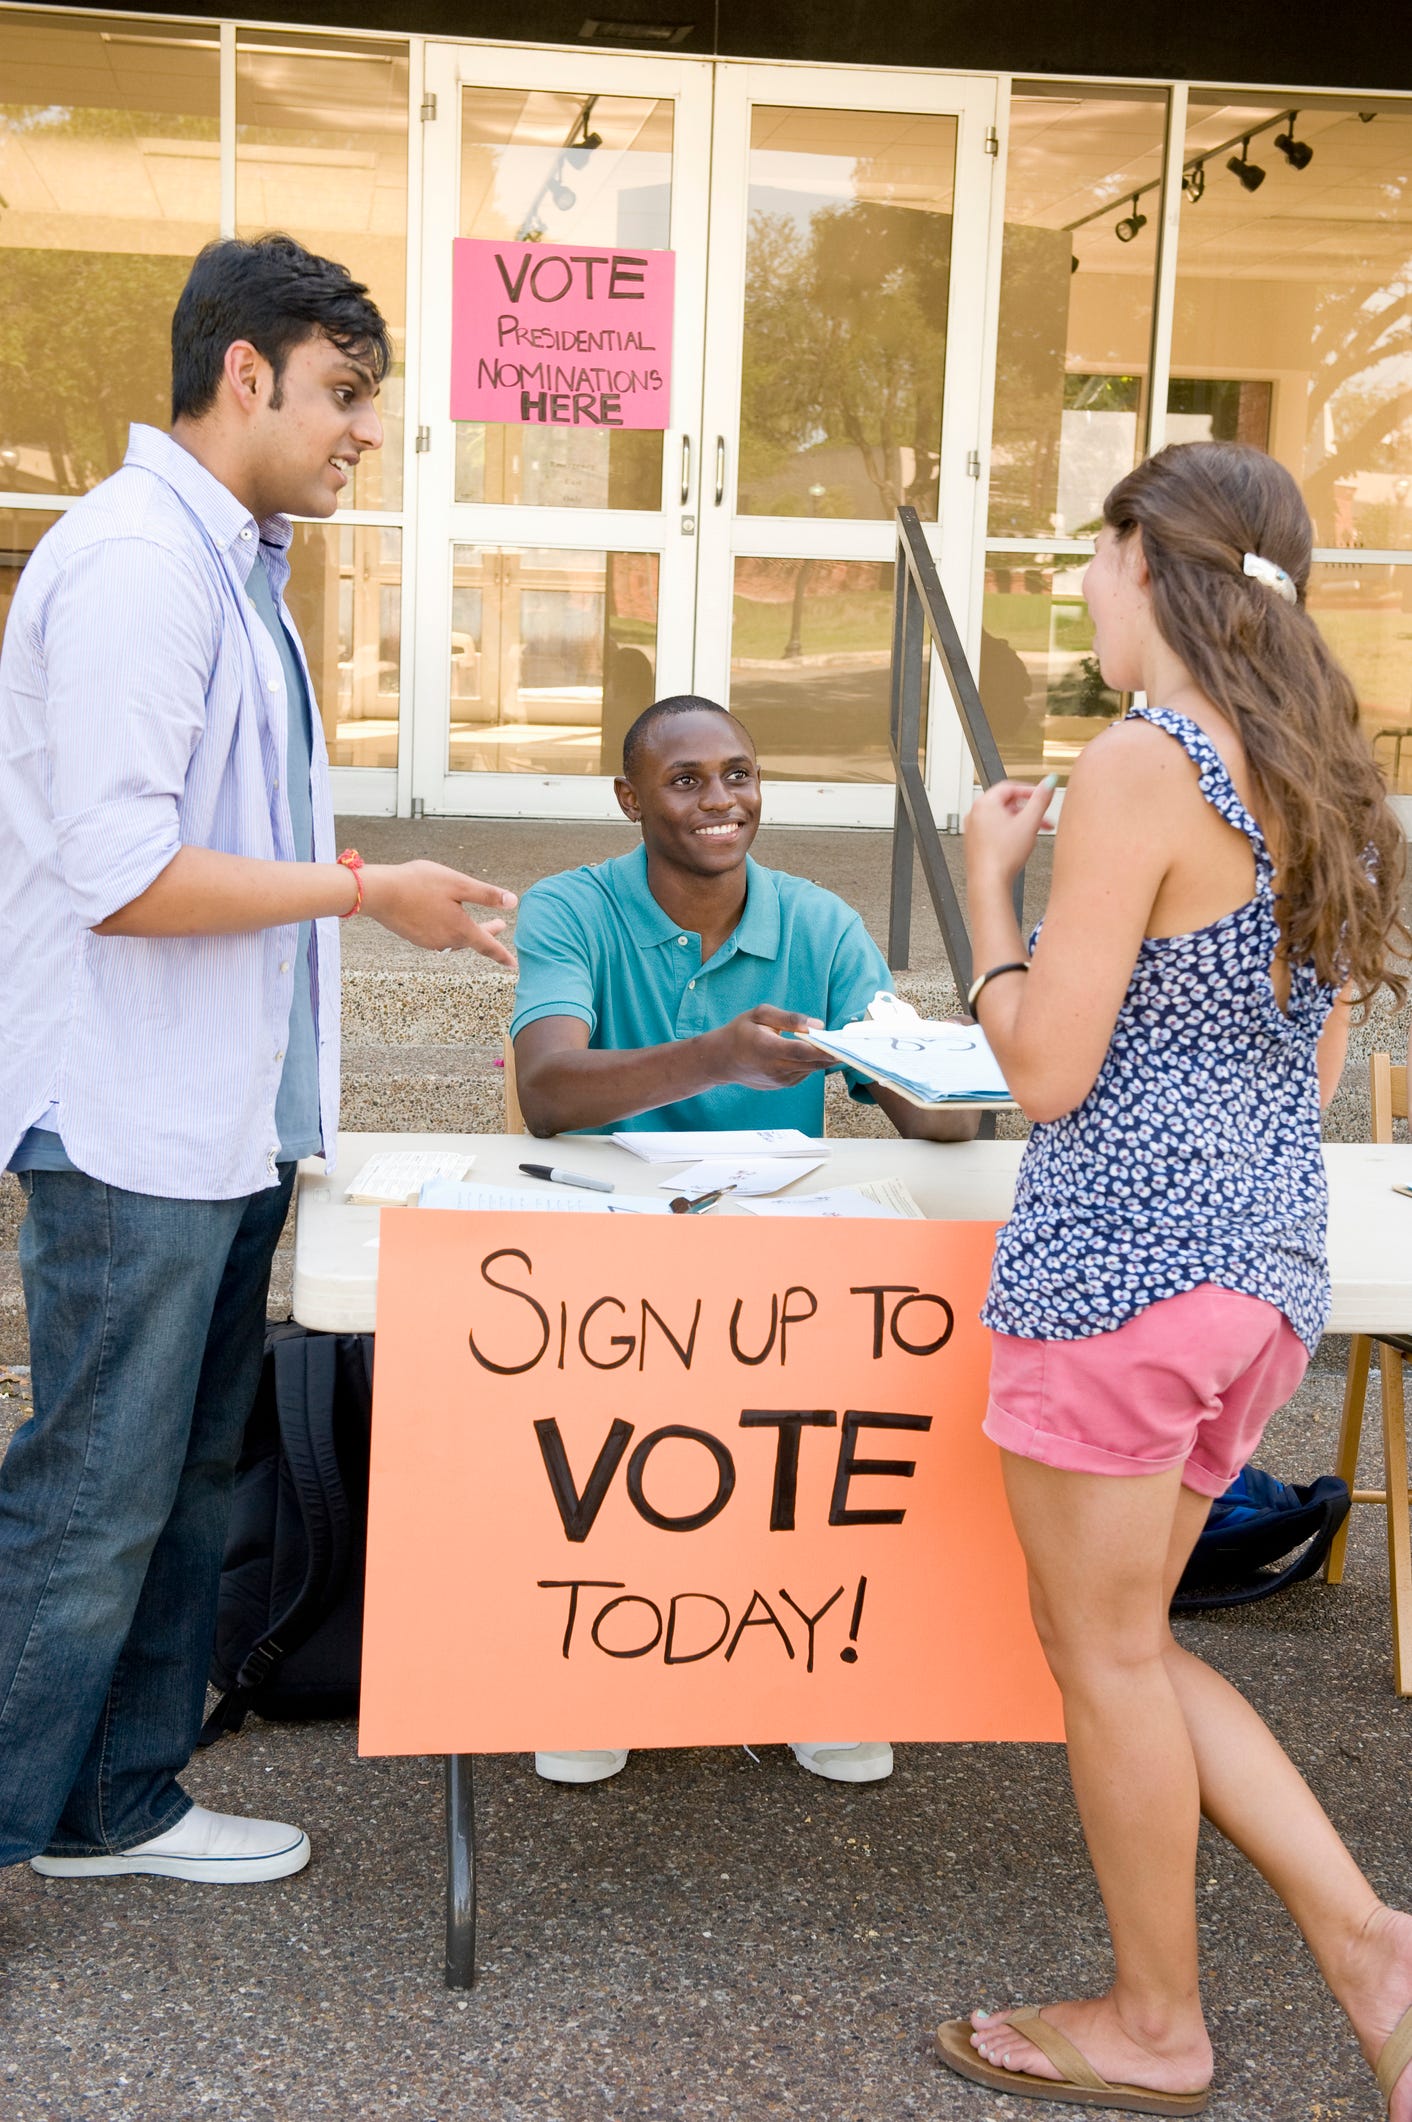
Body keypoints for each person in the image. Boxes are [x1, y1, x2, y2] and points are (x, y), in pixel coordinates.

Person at [0, 234, 518, 1888]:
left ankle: (116, 1803)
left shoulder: (234, 563)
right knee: (89, 1503)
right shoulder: (139, 565)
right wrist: (369, 892)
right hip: (129, 1120)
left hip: (214, 1118)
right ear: (246, 374)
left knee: (170, 1492)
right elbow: (124, 874)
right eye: (345, 393)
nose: (366, 430)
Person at [933, 440, 1412, 2115]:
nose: (1083, 585)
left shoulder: (1147, 759)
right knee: (1129, 1639)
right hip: (1261, 1272)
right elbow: (1311, 1058)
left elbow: (1046, 1068)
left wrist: (985, 895)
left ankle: (1156, 2020)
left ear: (1152, 564)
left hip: (1121, 1271)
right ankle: (1370, 1947)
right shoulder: (1325, 777)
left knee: (1105, 1654)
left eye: (1096, 552)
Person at [511, 693, 978, 1787]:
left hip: (779, 1251)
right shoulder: (570, 908)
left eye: (738, 774)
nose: (720, 800)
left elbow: (938, 1124)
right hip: (615, 1248)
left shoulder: (818, 924)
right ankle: (600, 1670)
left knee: (830, 1426)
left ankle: (811, 1665)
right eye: (685, 780)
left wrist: (933, 1068)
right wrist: (717, 1056)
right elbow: (545, 1090)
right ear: (630, 799)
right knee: (610, 1446)